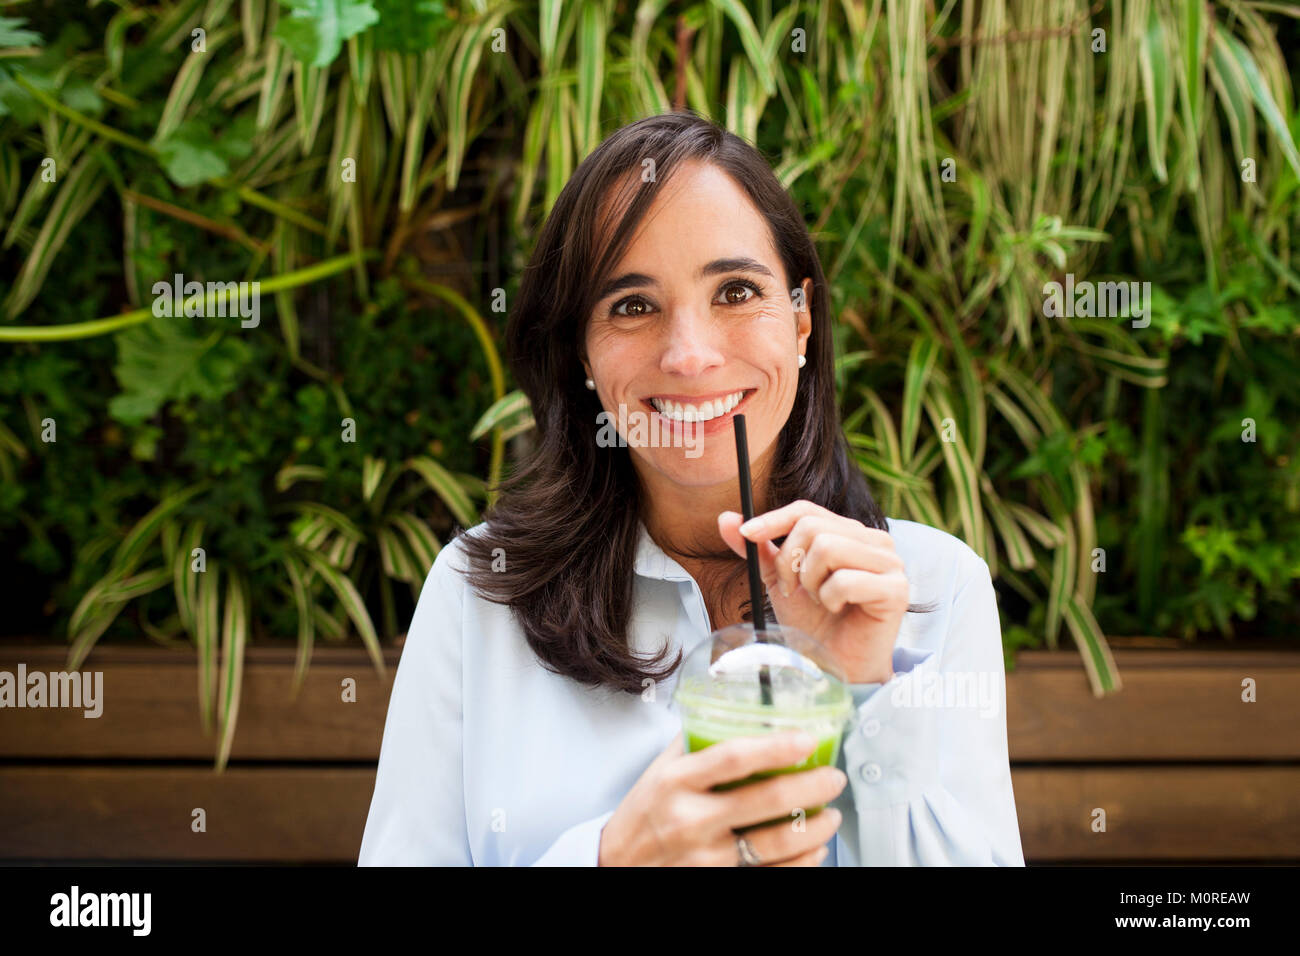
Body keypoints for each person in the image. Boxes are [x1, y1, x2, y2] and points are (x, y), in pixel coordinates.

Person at [358, 111, 1024, 866]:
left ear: (801, 320)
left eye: (736, 291)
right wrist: (611, 860)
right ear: (582, 349)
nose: (690, 356)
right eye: (633, 306)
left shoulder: (933, 591)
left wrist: (862, 694)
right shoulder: (482, 593)